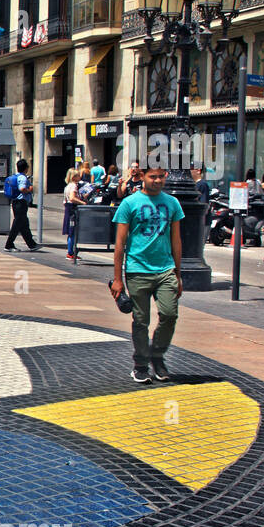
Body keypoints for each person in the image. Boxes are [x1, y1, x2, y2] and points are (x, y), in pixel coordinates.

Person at [112, 164, 185, 384]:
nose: (158, 180)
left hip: (165, 269)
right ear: (142, 176)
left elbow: (176, 240)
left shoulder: (172, 203)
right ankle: (141, 364)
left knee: (170, 314)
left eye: (162, 177)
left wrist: (178, 274)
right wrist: (118, 279)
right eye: (153, 176)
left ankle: (157, 355)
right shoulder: (129, 203)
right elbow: (120, 242)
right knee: (141, 320)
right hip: (137, 269)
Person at [3, 158, 40, 252]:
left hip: (16, 202)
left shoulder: (17, 176)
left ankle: (32, 244)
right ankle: (9, 245)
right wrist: (29, 190)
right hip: (21, 203)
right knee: (17, 225)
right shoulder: (23, 178)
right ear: (26, 168)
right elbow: (22, 188)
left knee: (24, 224)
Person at [63, 167, 87, 261]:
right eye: (77, 175)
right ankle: (70, 253)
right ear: (73, 177)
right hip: (72, 210)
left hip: (68, 208)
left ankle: (71, 252)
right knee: (72, 232)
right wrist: (82, 202)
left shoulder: (68, 186)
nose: (79, 177)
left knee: (70, 232)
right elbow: (72, 198)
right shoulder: (73, 186)